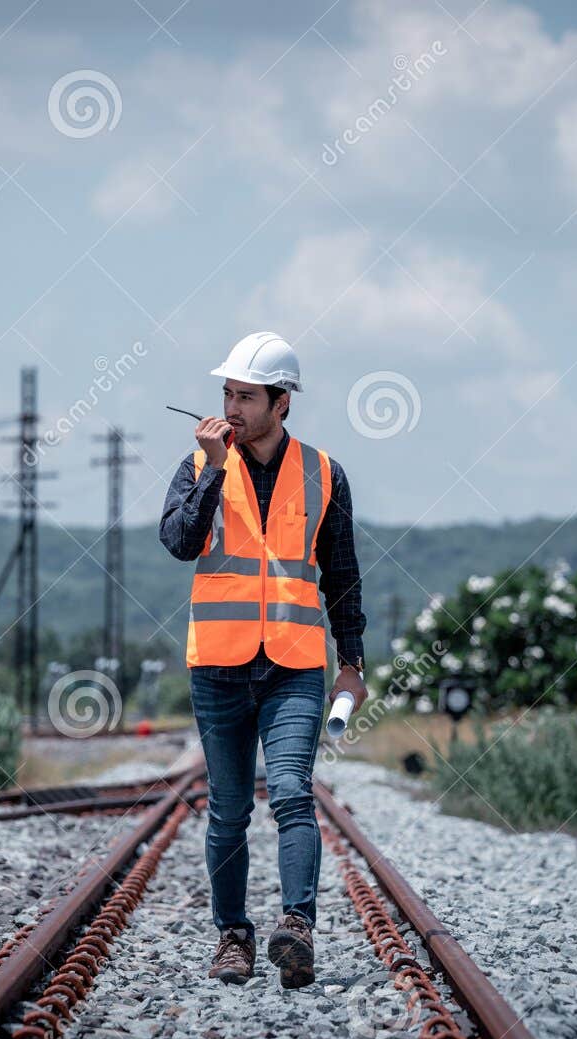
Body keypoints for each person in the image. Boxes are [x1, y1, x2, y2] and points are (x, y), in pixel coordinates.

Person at [158, 331, 369, 989]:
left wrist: (352, 662)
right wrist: (215, 464)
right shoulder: (199, 468)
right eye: (227, 392)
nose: (232, 405)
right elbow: (179, 541)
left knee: (290, 792)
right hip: (218, 664)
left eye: (246, 395)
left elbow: (342, 573)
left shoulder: (325, 472)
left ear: (282, 403)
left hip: (295, 664)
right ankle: (233, 937)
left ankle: (296, 927)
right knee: (227, 809)